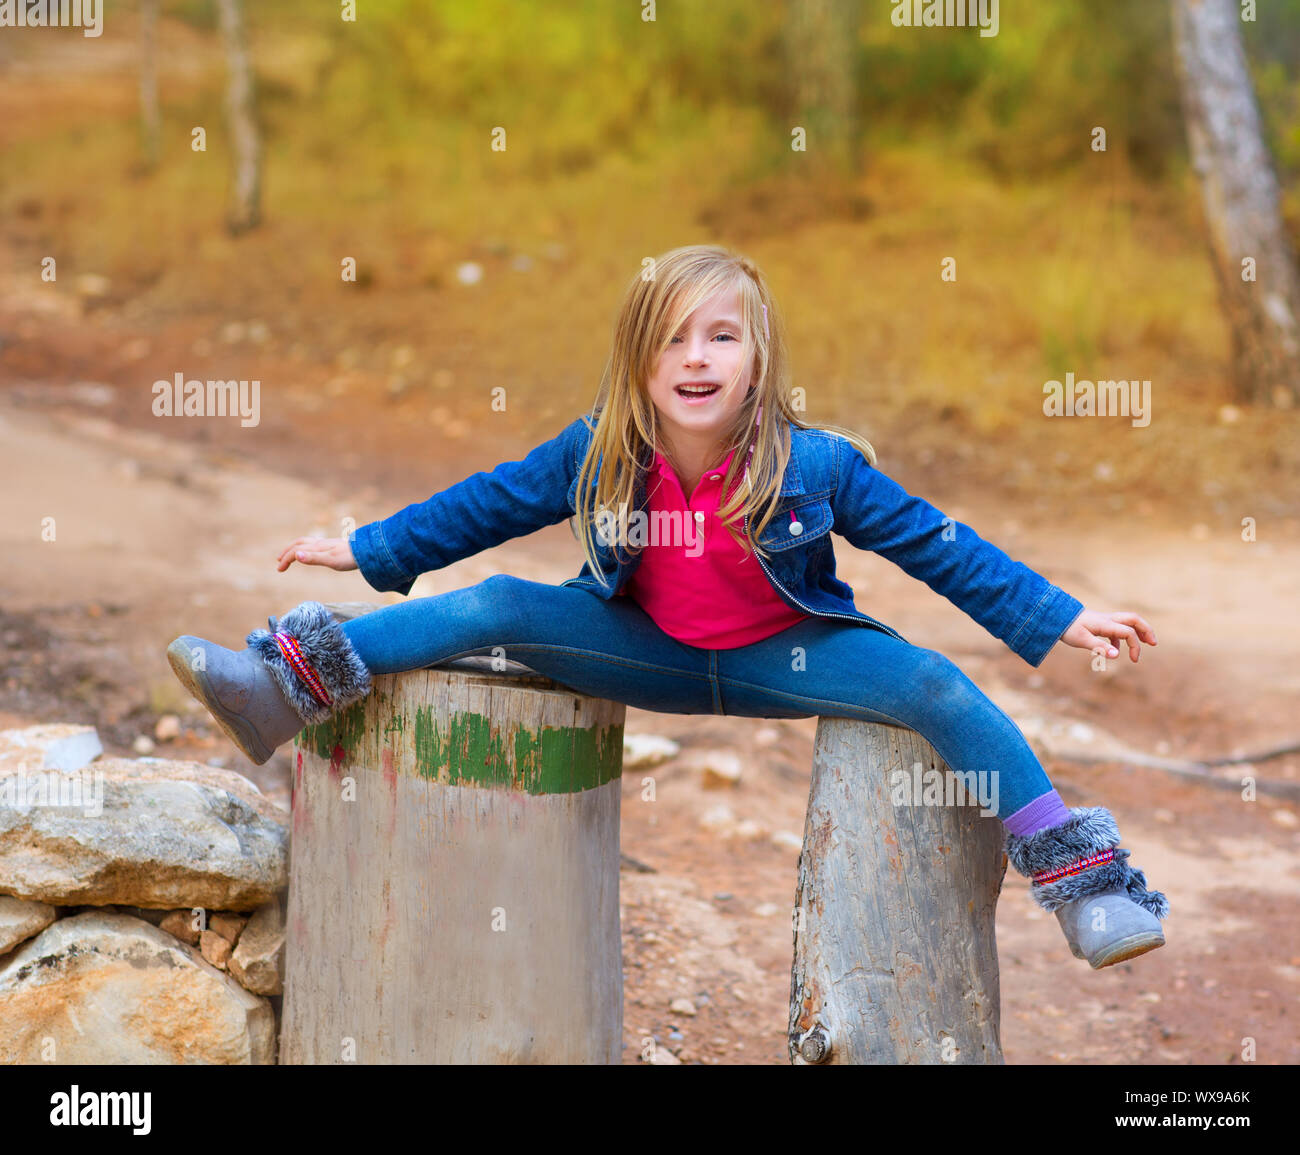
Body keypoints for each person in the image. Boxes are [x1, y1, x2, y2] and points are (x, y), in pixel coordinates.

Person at [168, 243, 1168, 969]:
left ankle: (1087, 890)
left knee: (935, 683)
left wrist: (1058, 613)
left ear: (757, 358)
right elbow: (488, 503)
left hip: (790, 657)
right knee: (505, 600)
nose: (697, 358)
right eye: (674, 340)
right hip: (645, 650)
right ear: (638, 358)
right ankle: (278, 687)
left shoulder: (815, 462)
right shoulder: (599, 451)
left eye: (721, 337)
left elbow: (938, 544)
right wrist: (367, 547)